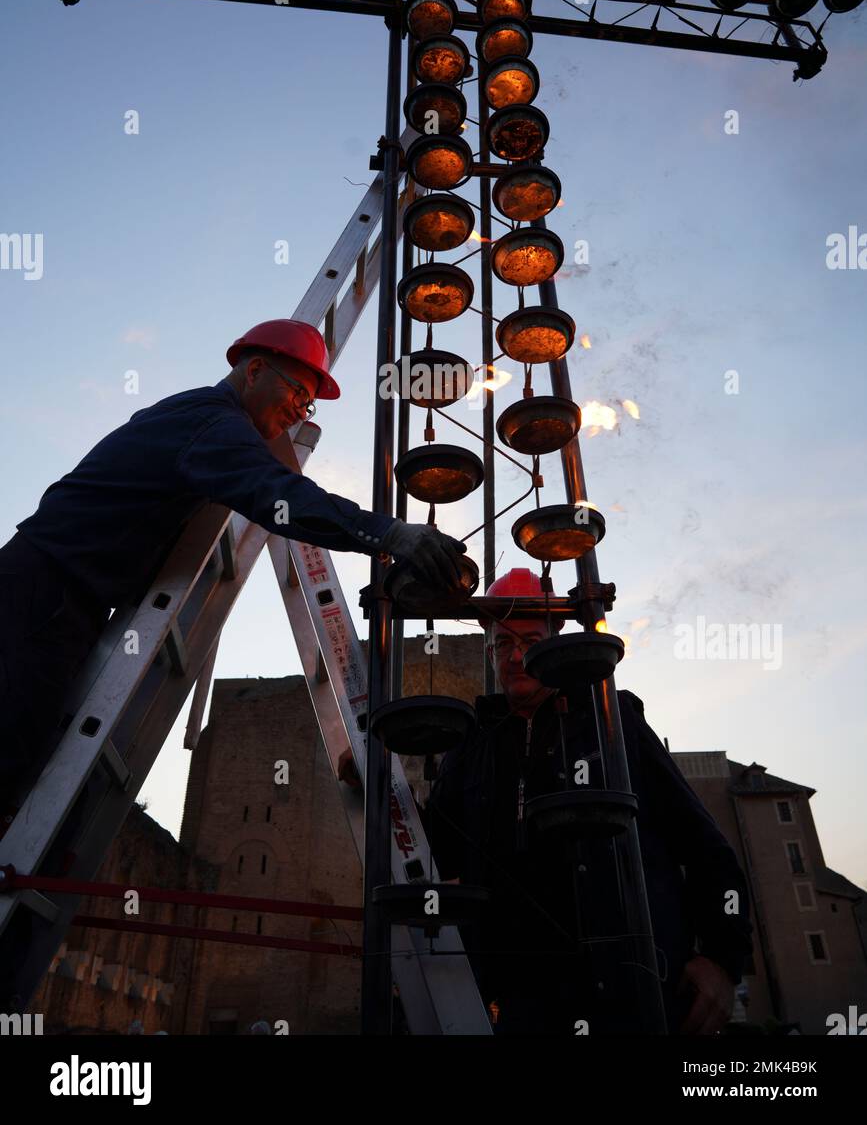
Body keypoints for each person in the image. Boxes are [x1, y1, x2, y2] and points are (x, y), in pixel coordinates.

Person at [0, 319, 465, 817]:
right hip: (44, 593)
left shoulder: (198, 419)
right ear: (256, 370)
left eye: (308, 405)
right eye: (297, 394)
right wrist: (391, 534)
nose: (298, 413)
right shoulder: (213, 425)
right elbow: (281, 495)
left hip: (61, 592)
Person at [425, 568, 754, 1037]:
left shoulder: (610, 720)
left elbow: (704, 846)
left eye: (531, 640)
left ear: (555, 644)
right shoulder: (473, 744)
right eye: (502, 644)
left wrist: (723, 958)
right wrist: (372, 773)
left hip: (623, 987)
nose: (516, 657)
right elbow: (436, 845)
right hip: (517, 999)